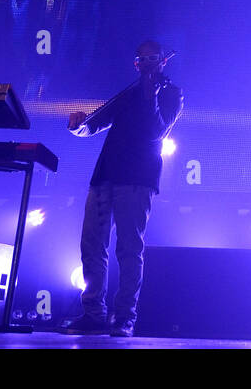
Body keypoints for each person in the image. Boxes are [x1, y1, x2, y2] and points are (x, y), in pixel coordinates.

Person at [63, 40, 183, 337]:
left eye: (152, 58)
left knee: (129, 249)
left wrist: (150, 94)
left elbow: (157, 130)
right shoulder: (128, 93)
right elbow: (94, 125)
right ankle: (94, 313)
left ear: (162, 62)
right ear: (135, 63)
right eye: (141, 58)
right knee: (92, 246)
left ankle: (124, 318)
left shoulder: (172, 94)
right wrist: (78, 125)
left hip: (138, 179)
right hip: (105, 176)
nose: (146, 62)